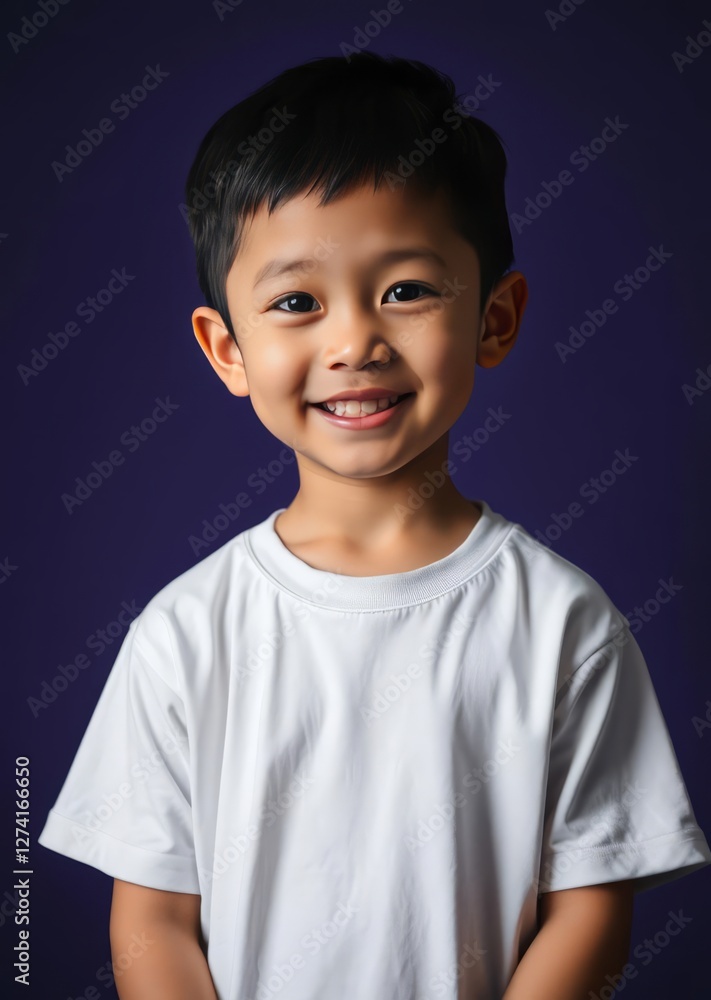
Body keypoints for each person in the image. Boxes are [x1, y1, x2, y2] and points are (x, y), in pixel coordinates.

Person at [38, 52, 710, 999]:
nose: (353, 341)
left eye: (405, 289)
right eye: (296, 303)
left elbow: (591, 910)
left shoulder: (564, 624)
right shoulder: (186, 633)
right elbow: (150, 917)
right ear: (227, 349)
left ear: (495, 316)